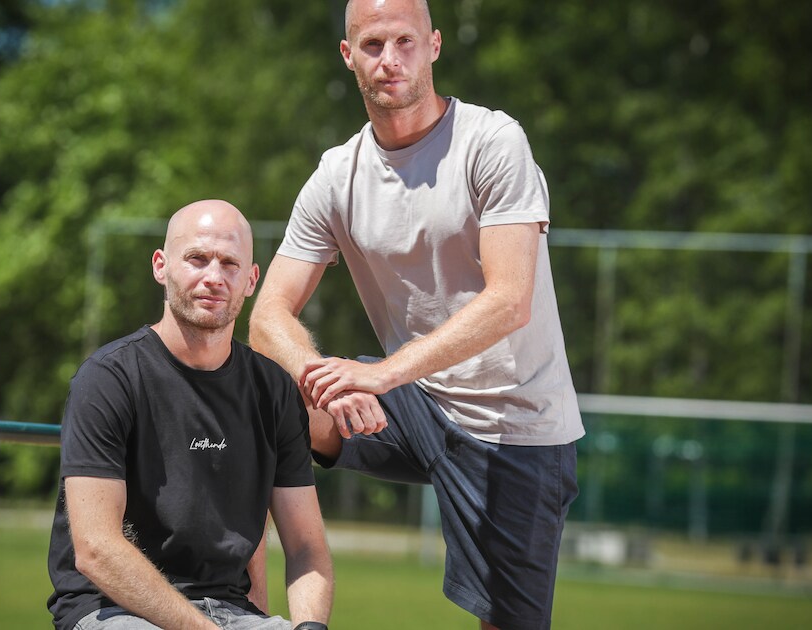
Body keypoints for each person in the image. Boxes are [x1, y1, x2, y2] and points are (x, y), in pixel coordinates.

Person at [248, 1, 583, 628]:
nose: (390, 60)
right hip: (413, 403)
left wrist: (380, 374)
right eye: (373, 45)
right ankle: (249, 612)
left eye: (404, 41)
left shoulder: (491, 141)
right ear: (349, 57)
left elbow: (510, 299)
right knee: (267, 401)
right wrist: (320, 375)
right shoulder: (337, 174)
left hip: (516, 427)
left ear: (433, 46)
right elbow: (267, 314)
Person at [48, 200, 334, 630]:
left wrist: (309, 626)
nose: (214, 277)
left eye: (230, 264)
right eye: (197, 259)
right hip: (114, 609)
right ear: (161, 266)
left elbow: (307, 548)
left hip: (230, 613)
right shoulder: (108, 378)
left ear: (251, 279)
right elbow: (95, 549)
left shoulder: (273, 390)